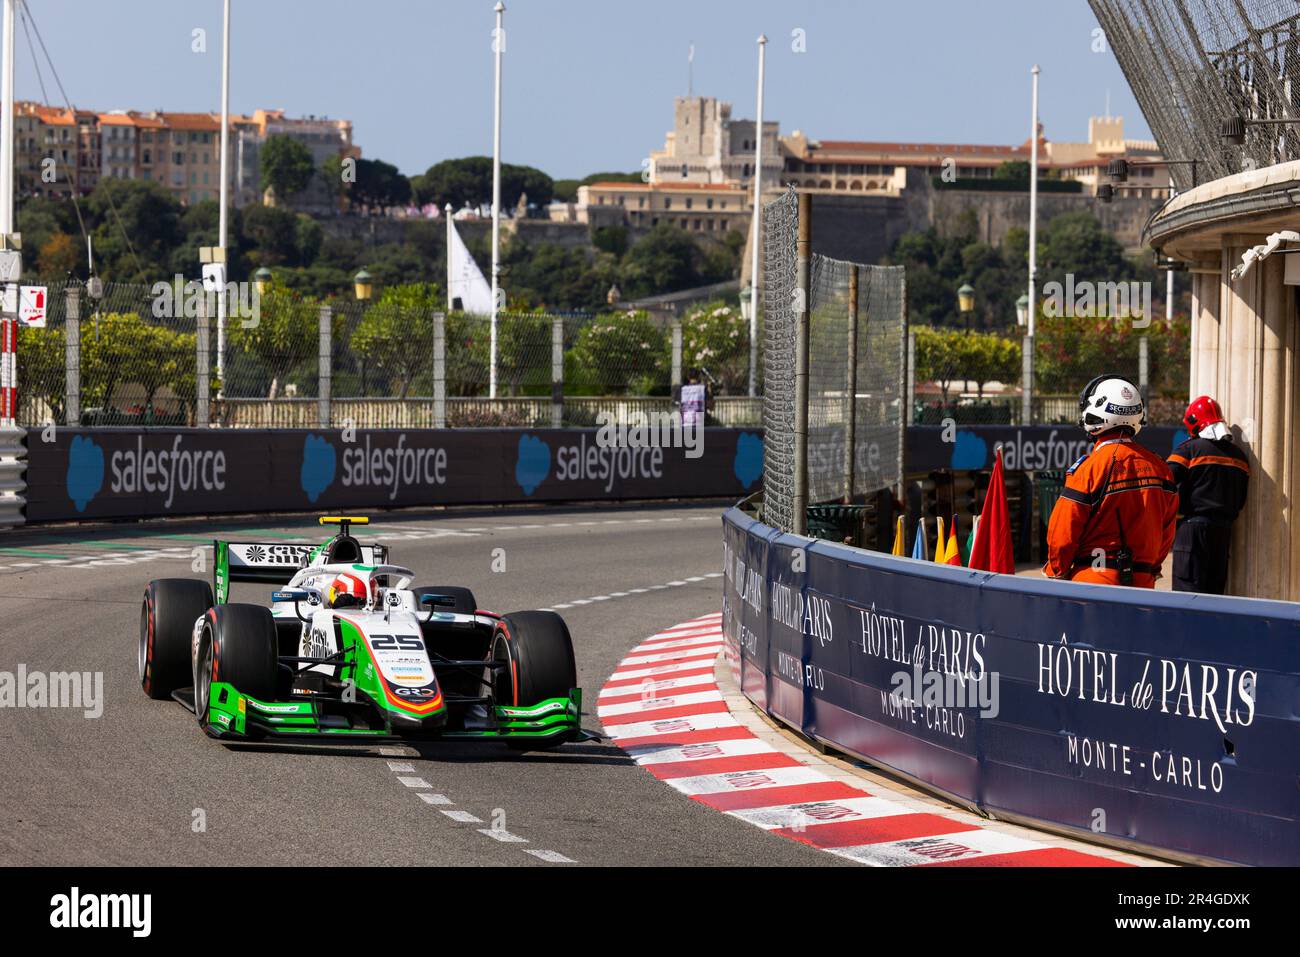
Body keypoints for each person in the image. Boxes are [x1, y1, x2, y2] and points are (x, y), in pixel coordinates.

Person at [1044, 374, 1178, 587]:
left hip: (1094, 581)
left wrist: (1056, 571)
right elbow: (1166, 534)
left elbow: (1063, 533)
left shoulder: (1090, 468)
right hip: (1143, 583)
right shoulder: (1162, 469)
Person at [1167, 396, 1250, 594]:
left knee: (1186, 595)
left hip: (1192, 531)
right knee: (1214, 597)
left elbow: (1165, 480)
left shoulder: (1189, 450)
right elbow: (1241, 501)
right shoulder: (1240, 457)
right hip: (1223, 533)